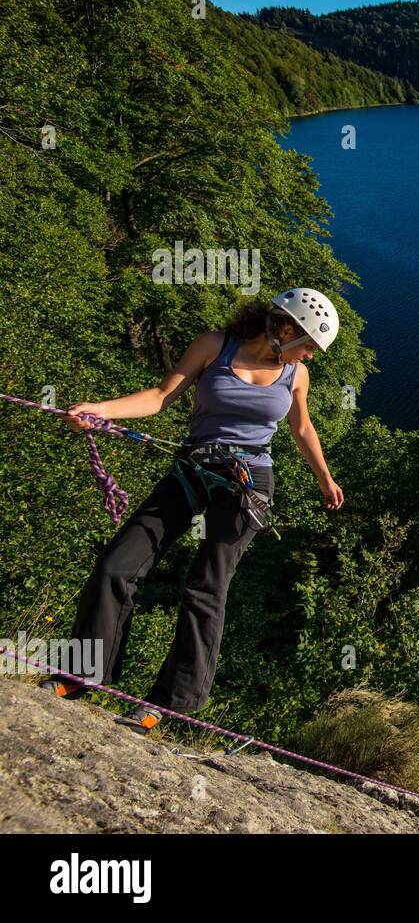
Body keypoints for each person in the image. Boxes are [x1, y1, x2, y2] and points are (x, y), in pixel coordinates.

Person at [39, 288, 345, 733]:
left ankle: (168, 702)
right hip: (194, 468)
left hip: (248, 484)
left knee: (206, 587)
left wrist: (325, 478)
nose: (311, 357)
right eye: (310, 346)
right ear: (284, 328)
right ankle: (82, 676)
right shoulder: (213, 346)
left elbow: (301, 427)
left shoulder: (294, 374)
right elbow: (161, 396)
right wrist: (101, 411)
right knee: (115, 566)